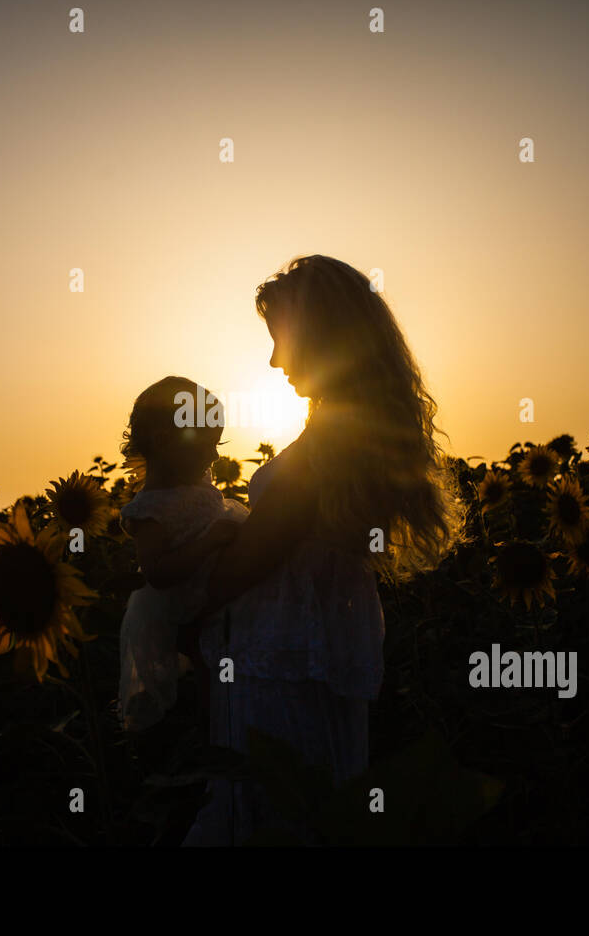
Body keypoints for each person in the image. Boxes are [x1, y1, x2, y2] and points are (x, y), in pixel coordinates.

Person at [182, 255, 465, 845]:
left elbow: (251, 561)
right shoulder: (347, 437)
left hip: (280, 665)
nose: (275, 360)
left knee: (275, 810)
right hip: (294, 659)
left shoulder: (328, 449)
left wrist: (175, 606)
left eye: (282, 340)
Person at [116, 376, 248, 732]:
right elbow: (156, 572)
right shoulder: (150, 509)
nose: (216, 455)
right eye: (206, 443)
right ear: (164, 441)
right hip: (181, 612)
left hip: (217, 601)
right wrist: (210, 542)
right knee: (203, 688)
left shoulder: (196, 485)